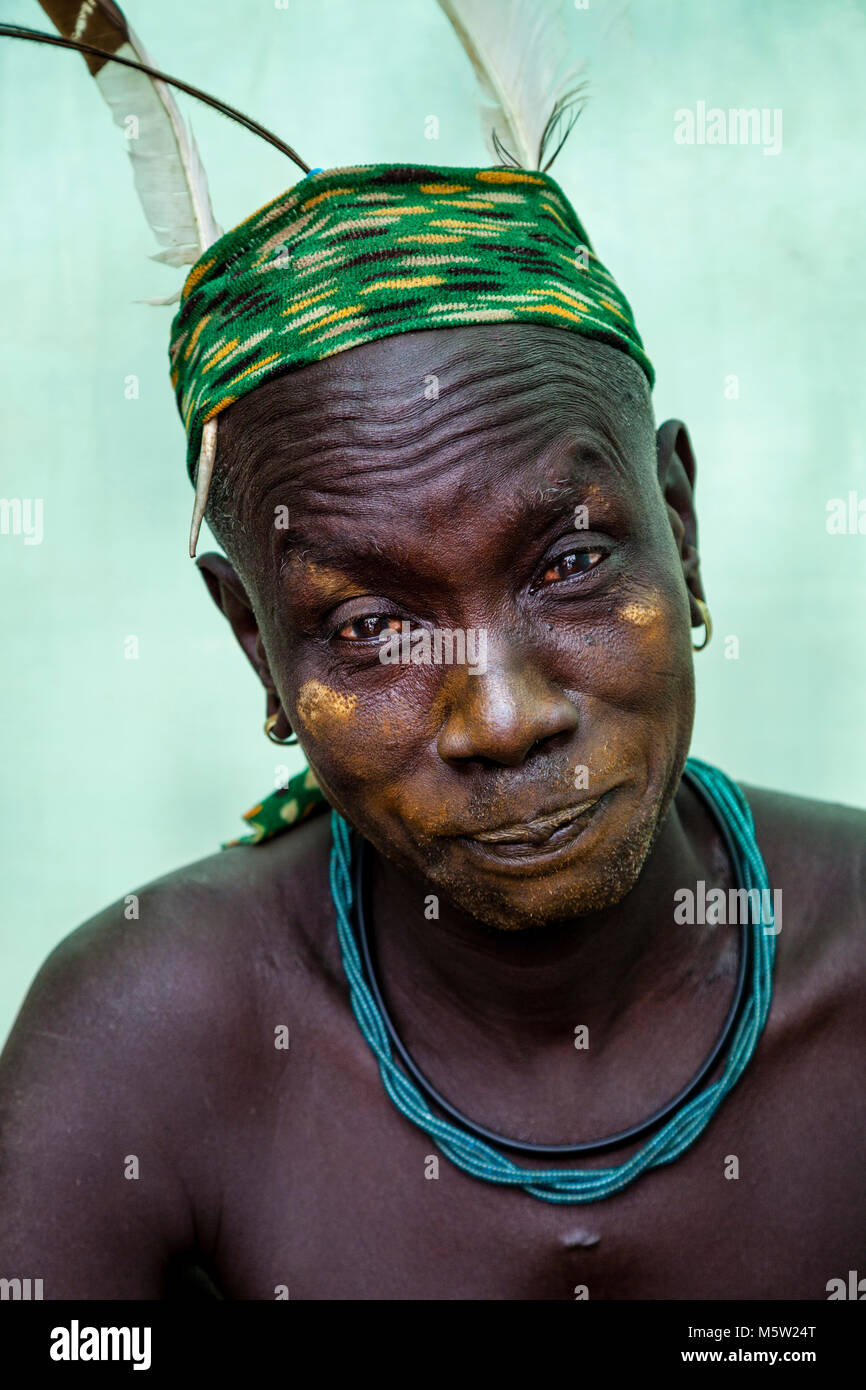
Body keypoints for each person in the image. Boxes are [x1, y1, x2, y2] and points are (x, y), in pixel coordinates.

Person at [0, 3, 864, 1302]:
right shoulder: (141, 1043)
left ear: (677, 526)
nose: (503, 715)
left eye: (568, 564)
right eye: (372, 628)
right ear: (256, 644)